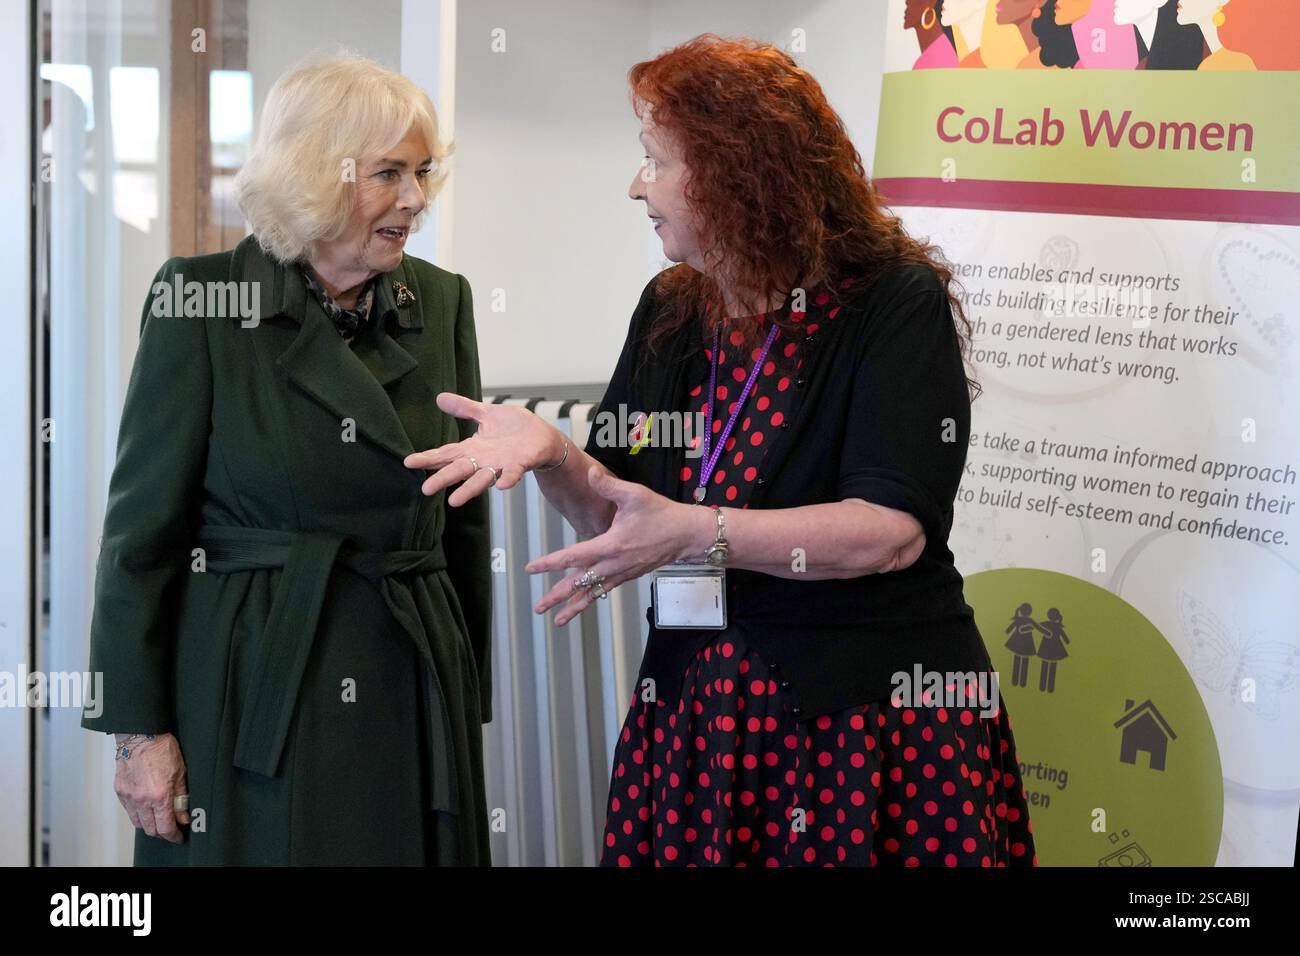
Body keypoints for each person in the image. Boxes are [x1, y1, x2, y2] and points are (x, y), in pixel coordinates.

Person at [409, 35, 1037, 867]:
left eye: (656, 162)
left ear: (740, 173)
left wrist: (695, 532)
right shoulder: (672, 307)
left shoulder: (890, 302)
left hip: (860, 719)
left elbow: (890, 532)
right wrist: (557, 456)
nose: (638, 186)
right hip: (698, 712)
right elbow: (621, 511)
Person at [81, 51, 493, 865]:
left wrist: (463, 692)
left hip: (409, 674)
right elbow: (140, 537)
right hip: (252, 686)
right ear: (316, 175)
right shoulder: (199, 300)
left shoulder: (441, 299)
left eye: (421, 173)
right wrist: (138, 735)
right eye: (388, 174)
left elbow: (464, 519)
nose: (414, 200)